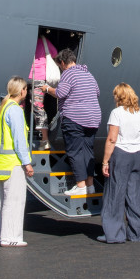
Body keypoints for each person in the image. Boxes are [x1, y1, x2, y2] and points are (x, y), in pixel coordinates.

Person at [41, 48, 101, 197]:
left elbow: (60, 93)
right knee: (88, 151)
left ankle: (80, 185)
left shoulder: (68, 74)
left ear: (62, 62)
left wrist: (47, 88)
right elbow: (97, 92)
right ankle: (90, 185)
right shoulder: (88, 74)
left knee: (75, 151)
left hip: (75, 118)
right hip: (93, 119)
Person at [98, 83, 140, 243]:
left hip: (121, 154)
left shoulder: (117, 113)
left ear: (118, 96)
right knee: (136, 195)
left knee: (114, 194)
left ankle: (114, 234)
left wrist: (105, 161)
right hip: (137, 155)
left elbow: (112, 138)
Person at [0, 76, 34, 247]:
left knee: (4, 202)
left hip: (1, 163)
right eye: (26, 89)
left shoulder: (3, 107)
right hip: (13, 164)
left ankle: (2, 235)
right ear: (22, 90)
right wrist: (27, 163)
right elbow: (19, 140)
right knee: (15, 202)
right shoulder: (15, 110)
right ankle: (11, 238)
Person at [28, 35, 58, 150]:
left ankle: (44, 140)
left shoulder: (30, 40)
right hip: (40, 77)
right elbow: (54, 53)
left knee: (25, 105)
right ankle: (44, 139)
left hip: (28, 75)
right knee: (38, 106)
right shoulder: (45, 41)